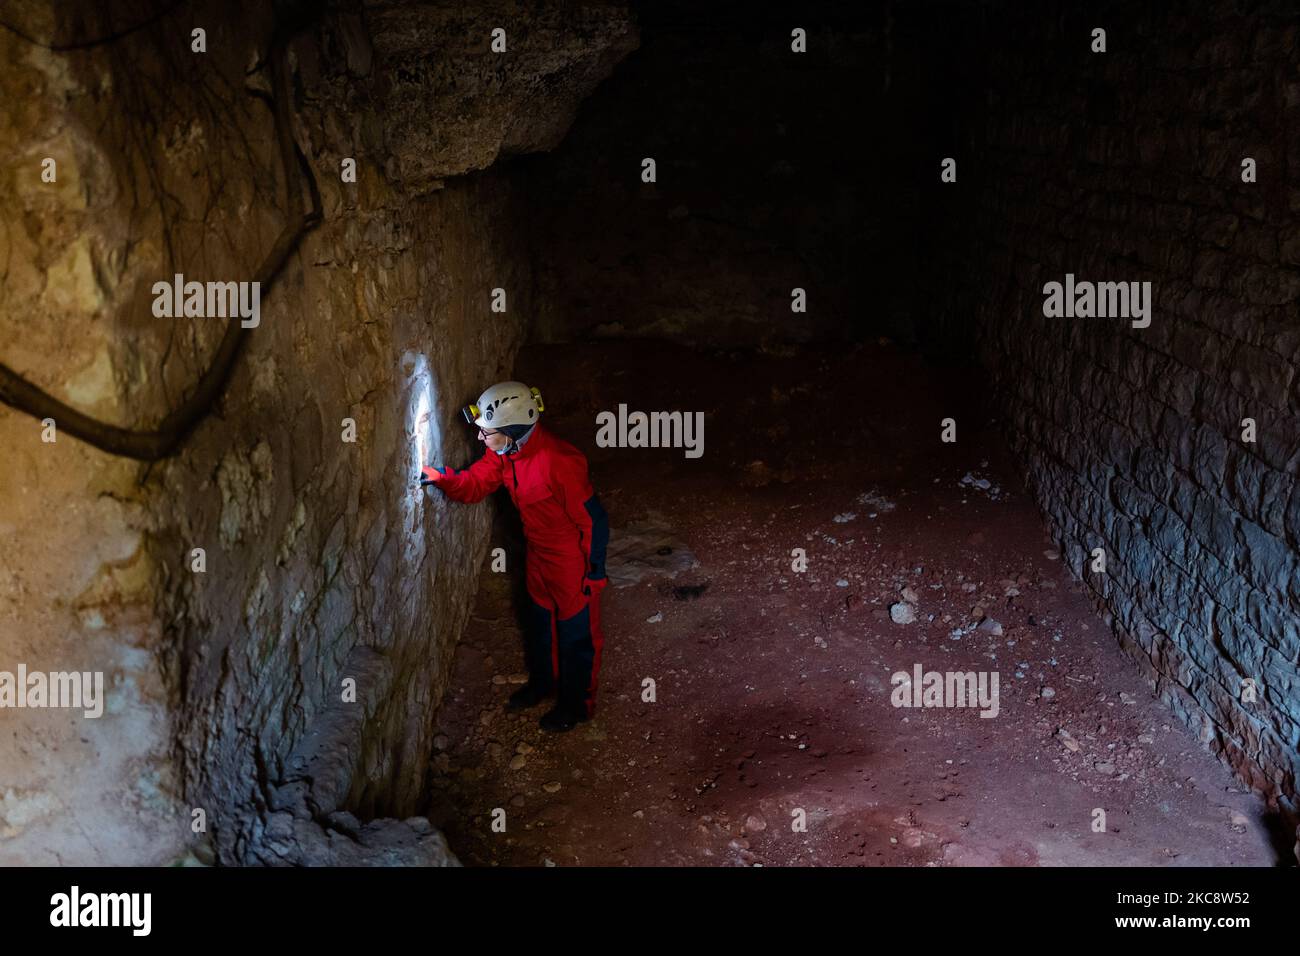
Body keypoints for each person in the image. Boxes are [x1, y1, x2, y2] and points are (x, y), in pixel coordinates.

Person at [421, 381, 609, 733]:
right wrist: (443, 479)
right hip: (537, 552)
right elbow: (476, 484)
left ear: (511, 431)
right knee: (540, 623)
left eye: (486, 433)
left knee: (576, 634)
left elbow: (593, 520)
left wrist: (594, 570)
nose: (480, 439)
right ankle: (543, 684)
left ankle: (577, 705)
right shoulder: (504, 452)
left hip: (569, 559)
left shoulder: (559, 461)